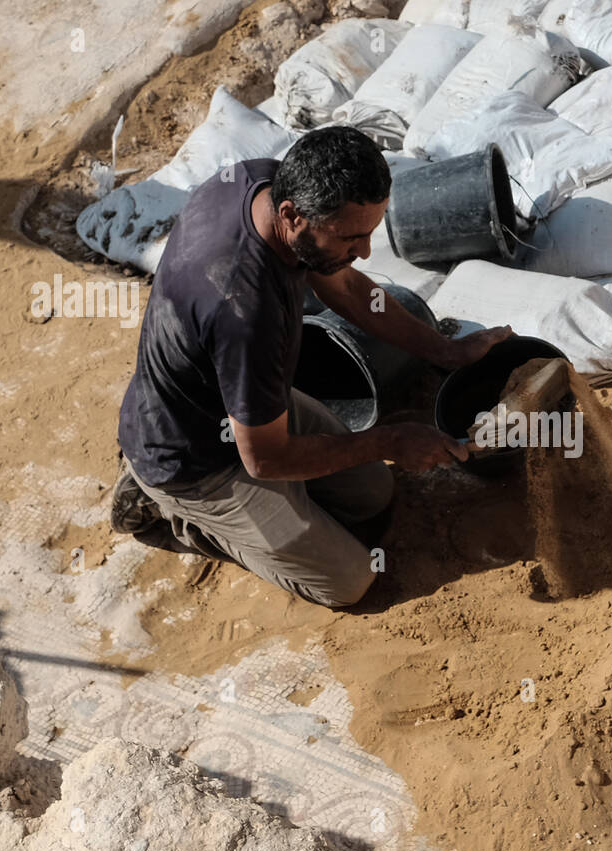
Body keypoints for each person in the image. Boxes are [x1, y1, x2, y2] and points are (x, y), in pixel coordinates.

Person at [111, 126, 512, 607]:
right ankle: (171, 511)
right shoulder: (244, 311)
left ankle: (278, 514)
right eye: (351, 237)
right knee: (349, 581)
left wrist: (444, 351)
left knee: (373, 495)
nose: (364, 252)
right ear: (291, 216)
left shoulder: (259, 183)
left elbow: (342, 286)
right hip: (193, 456)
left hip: (239, 402)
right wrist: (387, 440)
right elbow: (265, 460)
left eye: (369, 233)